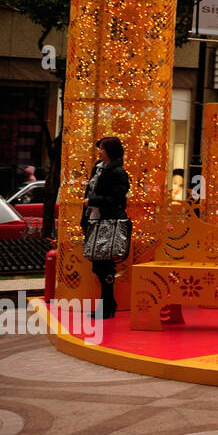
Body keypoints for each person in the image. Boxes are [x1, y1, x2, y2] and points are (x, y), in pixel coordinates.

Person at [81, 137, 130, 320]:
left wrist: (93, 202)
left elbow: (118, 200)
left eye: (102, 148)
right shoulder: (98, 168)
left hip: (108, 223)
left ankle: (108, 305)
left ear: (110, 150)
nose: (99, 151)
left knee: (105, 266)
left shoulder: (117, 172)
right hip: (94, 221)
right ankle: (107, 304)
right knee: (99, 266)